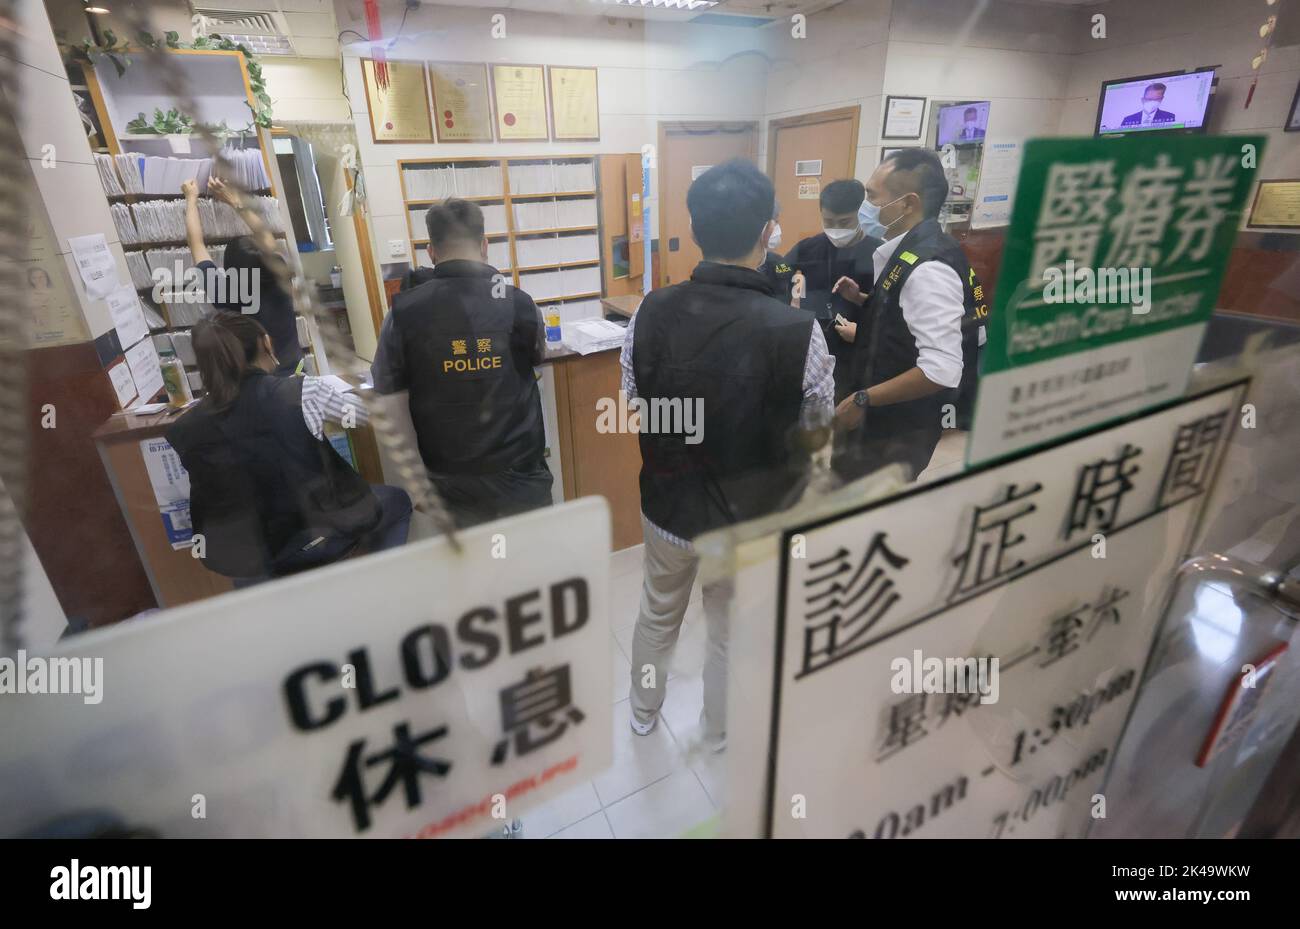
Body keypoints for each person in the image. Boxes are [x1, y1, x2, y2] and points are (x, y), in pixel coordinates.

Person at [622, 159, 834, 750]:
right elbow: (816, 435)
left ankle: (641, 712)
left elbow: (636, 402)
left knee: (657, 612)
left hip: (667, 503)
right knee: (728, 628)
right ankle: (716, 731)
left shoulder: (650, 311)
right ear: (769, 229)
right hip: (749, 517)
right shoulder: (797, 330)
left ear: (694, 228)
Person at [166, 313, 412, 586]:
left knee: (253, 559)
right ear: (266, 344)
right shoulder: (299, 392)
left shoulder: (185, 428)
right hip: (315, 535)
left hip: (246, 555)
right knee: (397, 502)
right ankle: (386, 586)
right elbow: (368, 416)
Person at [371, 198, 553, 529]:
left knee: (472, 576)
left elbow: (390, 405)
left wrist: (416, 487)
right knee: (530, 571)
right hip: (521, 479)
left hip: (449, 485)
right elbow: (537, 360)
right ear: (484, 245)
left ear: (431, 251)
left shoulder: (402, 314)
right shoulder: (521, 305)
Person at [834, 148, 986, 480]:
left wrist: (862, 399)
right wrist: (862, 299)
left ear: (907, 204)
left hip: (894, 431)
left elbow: (941, 369)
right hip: (880, 421)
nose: (865, 206)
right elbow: (906, 317)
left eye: (872, 197)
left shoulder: (929, 267)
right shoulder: (912, 249)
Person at [182, 177, 303, 375]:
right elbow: (265, 234)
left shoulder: (224, 293)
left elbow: (196, 244)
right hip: (295, 373)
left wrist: (191, 198)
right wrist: (235, 200)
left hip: (258, 383)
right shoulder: (280, 279)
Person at [782, 179, 883, 401]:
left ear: (860, 214)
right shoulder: (808, 248)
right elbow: (780, 274)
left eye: (844, 222)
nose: (836, 229)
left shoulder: (880, 253)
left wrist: (862, 330)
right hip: (813, 348)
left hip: (857, 352)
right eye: (829, 221)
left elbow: (890, 308)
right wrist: (792, 298)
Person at [758, 200, 794, 296]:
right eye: (776, 222)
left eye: (777, 222)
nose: (777, 228)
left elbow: (788, 278)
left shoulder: (777, 261)